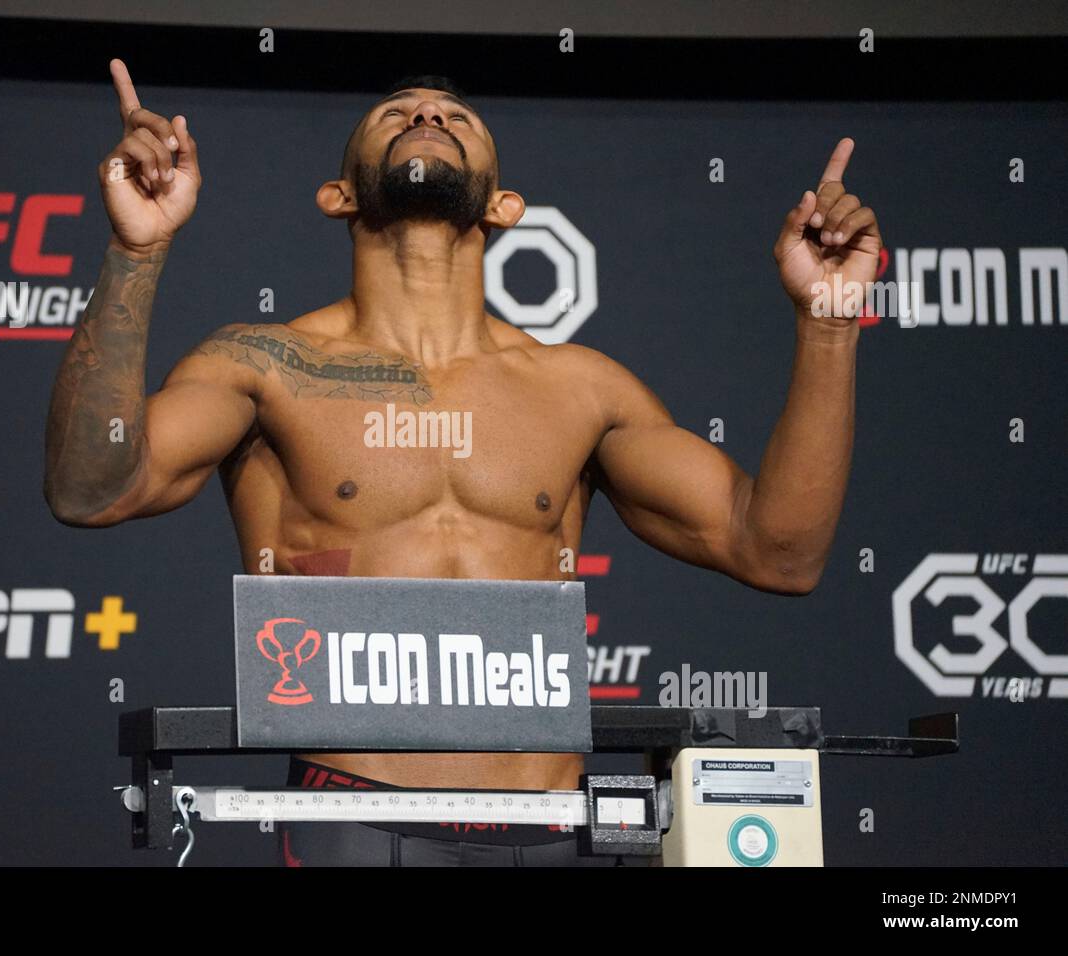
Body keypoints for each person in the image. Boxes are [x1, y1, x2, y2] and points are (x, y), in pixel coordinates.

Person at [43, 59, 880, 866]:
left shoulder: (581, 390)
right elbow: (91, 488)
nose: (427, 116)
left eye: (455, 117)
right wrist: (137, 250)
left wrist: (830, 321)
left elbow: (779, 551)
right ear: (338, 195)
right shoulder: (264, 367)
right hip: (356, 817)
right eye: (394, 113)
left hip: (555, 822)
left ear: (505, 205)